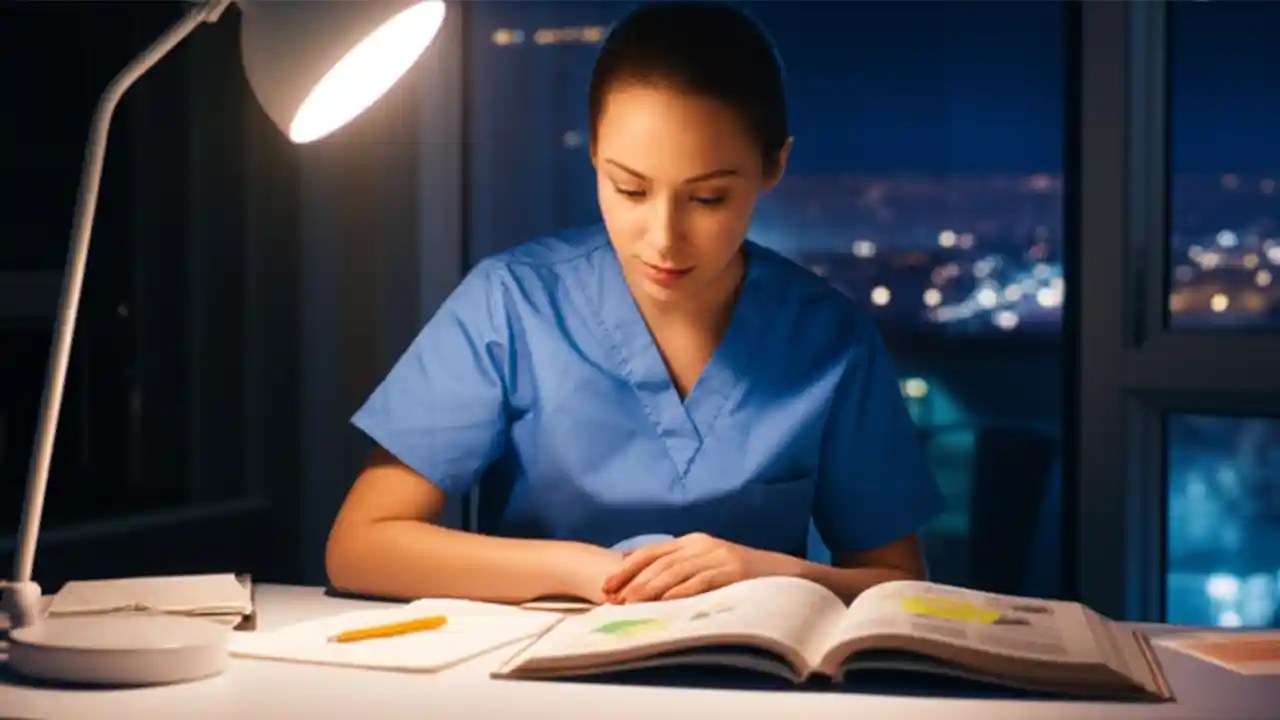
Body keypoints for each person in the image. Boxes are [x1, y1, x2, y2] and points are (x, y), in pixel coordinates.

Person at [325, 1, 945, 607]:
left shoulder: (827, 338)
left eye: (707, 199)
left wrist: (764, 572)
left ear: (773, 166)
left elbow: (897, 586)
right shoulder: (513, 303)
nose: (663, 238)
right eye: (629, 188)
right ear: (594, 151)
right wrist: (583, 569)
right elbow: (361, 546)